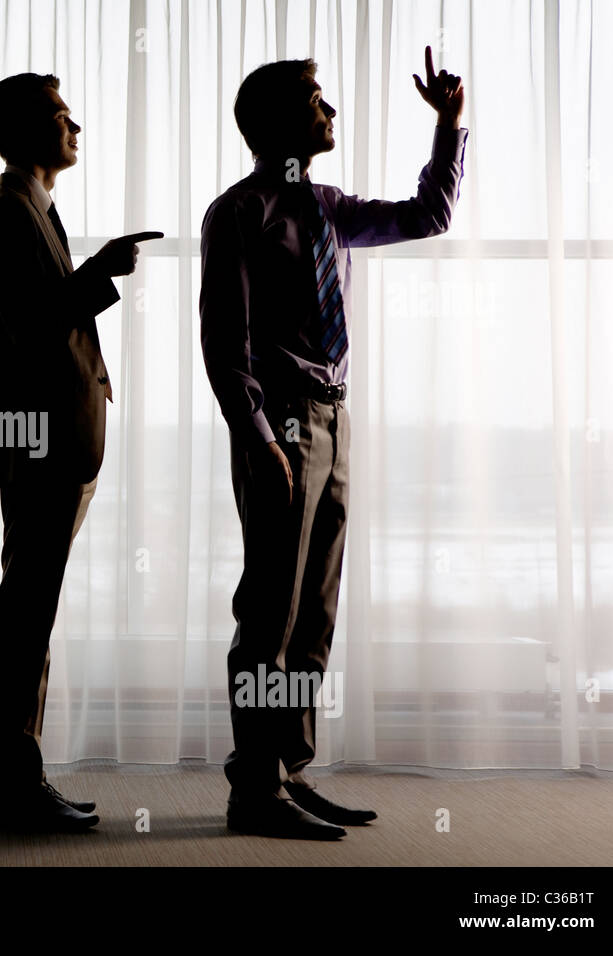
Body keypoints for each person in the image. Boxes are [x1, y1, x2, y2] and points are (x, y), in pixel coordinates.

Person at [200, 47, 468, 839]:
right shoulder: (240, 213)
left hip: (334, 416)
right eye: (317, 101)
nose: (332, 113)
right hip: (279, 420)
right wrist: (257, 438)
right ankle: (252, 789)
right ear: (277, 119)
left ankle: (287, 770)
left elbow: (429, 216)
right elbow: (225, 344)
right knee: (270, 615)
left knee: (314, 613)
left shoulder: (327, 205)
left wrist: (449, 125)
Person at [0, 74, 161, 831]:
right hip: (40, 442)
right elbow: (31, 327)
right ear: (19, 132)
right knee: (26, 615)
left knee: (30, 612)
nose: (73, 121)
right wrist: (99, 274)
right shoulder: (11, 216)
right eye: (56, 113)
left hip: (52, 443)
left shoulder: (29, 210)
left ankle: (17, 775)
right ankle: (11, 783)